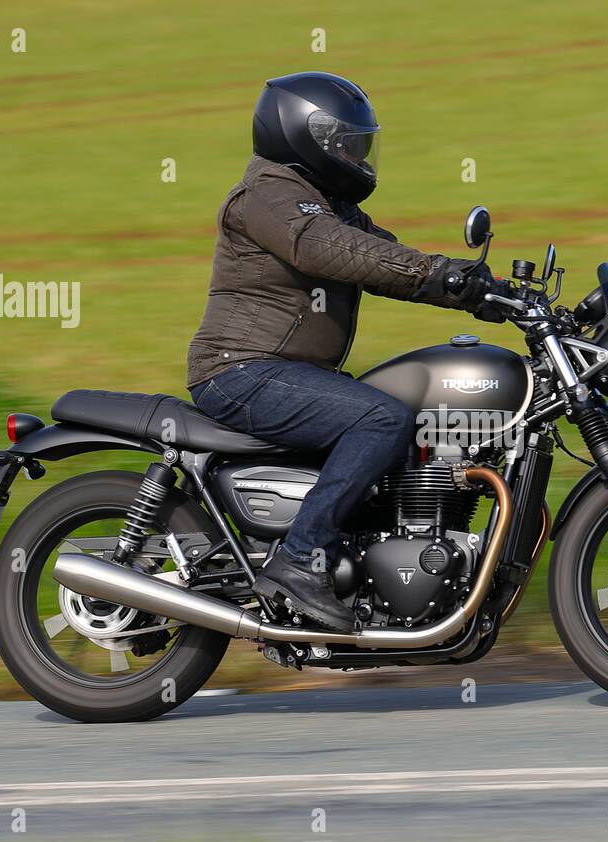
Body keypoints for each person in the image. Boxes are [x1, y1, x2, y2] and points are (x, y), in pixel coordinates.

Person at [186, 71, 502, 633]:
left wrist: (486, 291)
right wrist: (443, 275)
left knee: (406, 414)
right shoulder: (270, 197)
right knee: (382, 416)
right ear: (306, 137)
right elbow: (332, 251)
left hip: (282, 373)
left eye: (363, 144)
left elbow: (386, 257)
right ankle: (299, 559)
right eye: (348, 144)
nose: (359, 155)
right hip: (241, 371)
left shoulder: (323, 203)